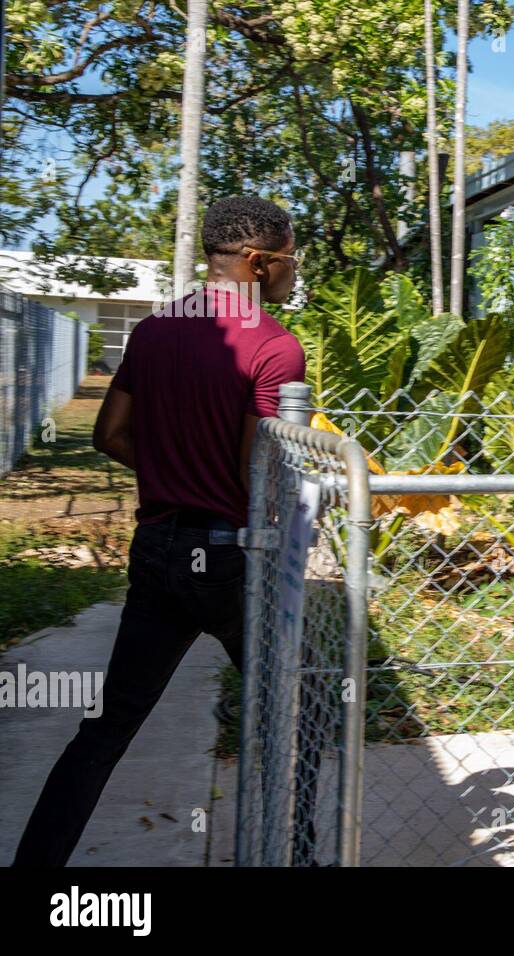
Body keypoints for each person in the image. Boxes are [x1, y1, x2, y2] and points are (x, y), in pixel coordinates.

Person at [13, 196, 306, 866]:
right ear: (258, 263)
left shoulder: (152, 331)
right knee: (294, 715)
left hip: (158, 551)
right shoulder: (275, 347)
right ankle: (308, 848)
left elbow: (109, 434)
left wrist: (177, 469)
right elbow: (253, 471)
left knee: (107, 727)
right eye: (290, 259)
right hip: (229, 556)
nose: (295, 272)